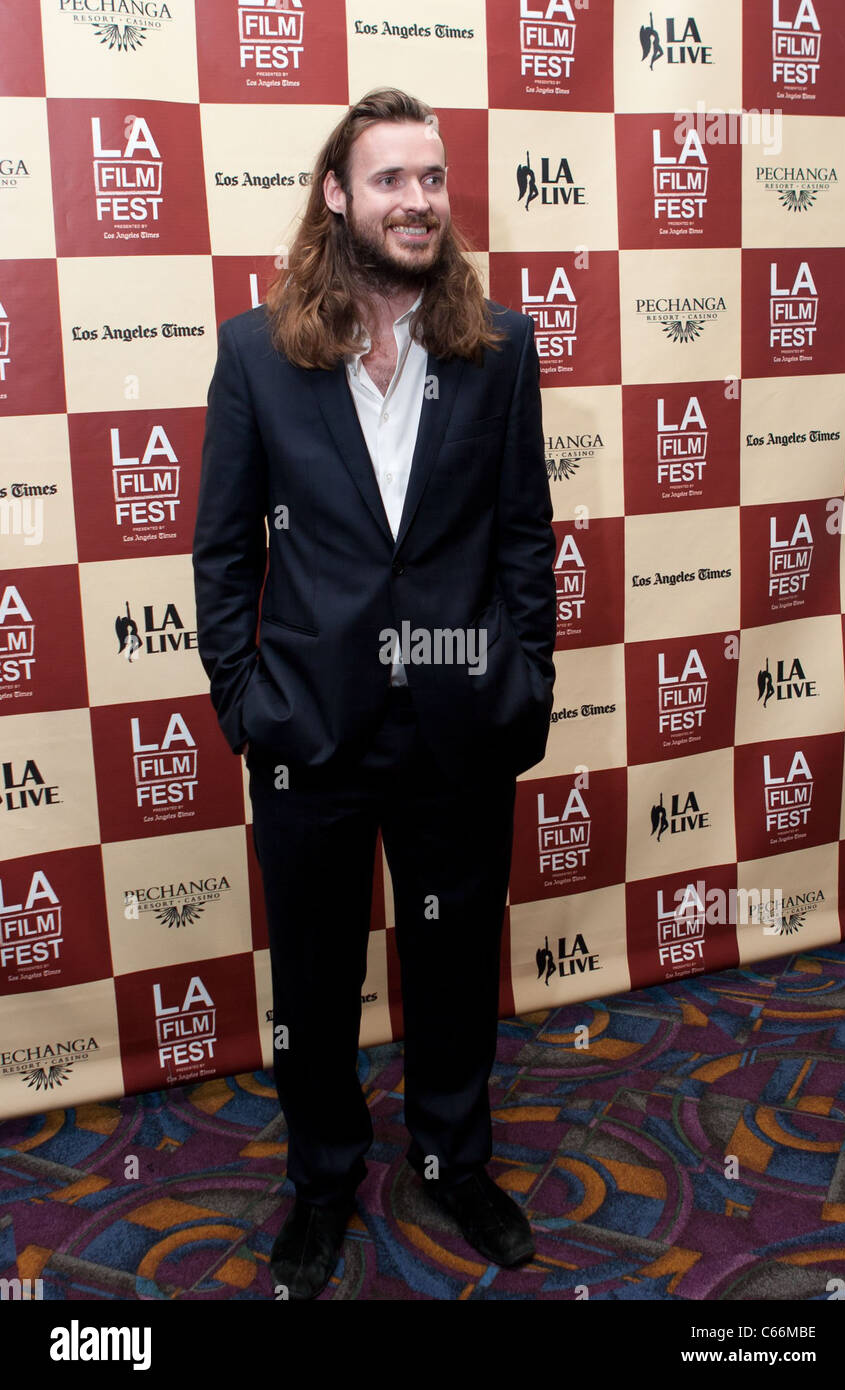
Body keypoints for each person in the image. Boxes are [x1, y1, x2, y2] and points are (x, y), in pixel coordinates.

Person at [192, 87, 557, 1300]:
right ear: (336, 196)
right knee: (311, 977)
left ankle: (452, 1159)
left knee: (453, 964)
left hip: (459, 721)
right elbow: (224, 551)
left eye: (431, 179)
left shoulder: (496, 347)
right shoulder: (257, 353)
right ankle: (322, 1179)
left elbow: (523, 536)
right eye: (389, 179)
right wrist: (246, 701)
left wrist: (524, 680)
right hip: (312, 726)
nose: (416, 201)